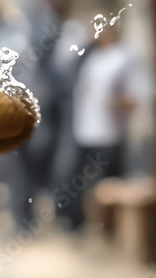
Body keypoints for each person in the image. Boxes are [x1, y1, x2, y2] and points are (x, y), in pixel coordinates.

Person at [57, 24, 141, 230]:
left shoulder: (124, 58)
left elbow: (134, 97)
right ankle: (78, 223)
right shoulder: (92, 57)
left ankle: (111, 229)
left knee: (109, 184)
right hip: (84, 131)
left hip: (109, 134)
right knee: (77, 181)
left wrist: (115, 103)